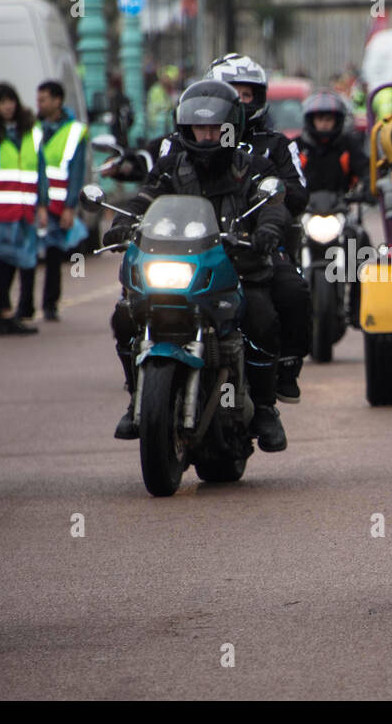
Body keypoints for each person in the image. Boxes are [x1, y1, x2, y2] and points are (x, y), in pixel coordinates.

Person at [104, 79, 291, 451]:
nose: (205, 137)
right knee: (125, 315)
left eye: (214, 129)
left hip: (236, 267)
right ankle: (136, 395)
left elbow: (273, 202)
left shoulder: (252, 166)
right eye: (198, 129)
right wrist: (122, 223)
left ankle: (266, 408)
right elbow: (145, 198)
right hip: (179, 267)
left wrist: (268, 229)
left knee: (262, 316)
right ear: (185, 129)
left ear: (230, 129)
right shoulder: (171, 167)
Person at [204, 53, 311, 403]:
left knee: (291, 292)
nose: (239, 101)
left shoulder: (273, 146)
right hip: (195, 249)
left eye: (247, 95)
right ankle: (141, 389)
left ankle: (286, 368)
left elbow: (294, 196)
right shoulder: (188, 144)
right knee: (130, 303)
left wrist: (265, 216)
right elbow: (155, 186)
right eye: (231, 92)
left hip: (254, 246)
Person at [0, 82, 44, 336]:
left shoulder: (30, 131)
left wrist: (44, 204)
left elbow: (41, 169)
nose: (8, 106)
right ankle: (1, 312)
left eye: (11, 100)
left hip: (24, 208)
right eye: (2, 101)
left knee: (20, 261)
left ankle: (4, 312)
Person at [31, 79, 88, 321]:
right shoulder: (32, 127)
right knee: (28, 256)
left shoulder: (75, 131)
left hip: (56, 205)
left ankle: (50, 304)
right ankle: (25, 305)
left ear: (57, 101)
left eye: (43, 99)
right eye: (38, 99)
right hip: (30, 202)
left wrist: (70, 208)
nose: (39, 104)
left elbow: (76, 173)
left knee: (53, 256)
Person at [298, 89, 366, 194]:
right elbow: (285, 176)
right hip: (304, 206)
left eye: (328, 119)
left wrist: (367, 190)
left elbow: (365, 169)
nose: (324, 124)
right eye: (320, 119)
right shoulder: (297, 145)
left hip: (342, 205)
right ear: (311, 120)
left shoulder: (348, 144)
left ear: (337, 120)